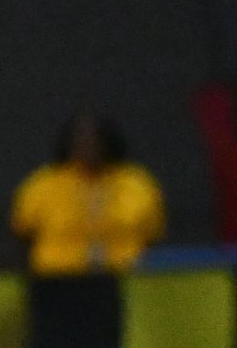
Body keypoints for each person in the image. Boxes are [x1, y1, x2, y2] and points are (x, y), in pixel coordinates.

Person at [10, 113, 165, 275]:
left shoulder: (137, 183)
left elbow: (153, 235)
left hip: (125, 276)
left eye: (94, 140)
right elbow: (23, 233)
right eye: (81, 140)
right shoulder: (43, 184)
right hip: (58, 279)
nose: (88, 145)